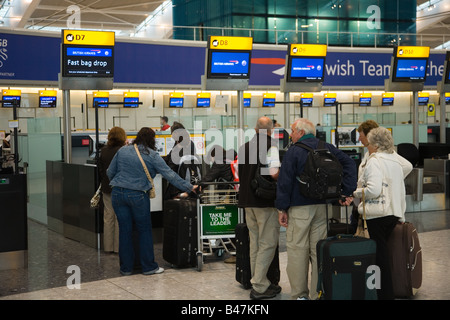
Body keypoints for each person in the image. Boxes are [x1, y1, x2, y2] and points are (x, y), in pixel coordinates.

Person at [276, 118, 357, 300]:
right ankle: (317, 293)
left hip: (299, 209)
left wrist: (282, 208)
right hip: (322, 208)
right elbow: (350, 164)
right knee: (317, 250)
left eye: (293, 130)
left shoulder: (294, 151)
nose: (291, 134)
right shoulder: (327, 147)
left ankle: (299, 295)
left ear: (301, 133)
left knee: (297, 251)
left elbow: (285, 181)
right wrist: (345, 190)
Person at [107, 127, 198, 276]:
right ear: (152, 140)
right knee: (144, 230)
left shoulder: (123, 150)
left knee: (125, 230)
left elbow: (110, 172)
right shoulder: (152, 154)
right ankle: (149, 267)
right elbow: (170, 175)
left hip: (117, 193)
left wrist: (121, 183)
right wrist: (189, 187)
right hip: (137, 195)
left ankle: (126, 268)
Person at [352, 127, 412, 300]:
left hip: (376, 215)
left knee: (378, 259)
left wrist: (356, 193)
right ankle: (384, 293)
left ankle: (381, 294)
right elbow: (399, 190)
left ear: (376, 145)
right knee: (384, 256)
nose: (368, 147)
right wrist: (401, 215)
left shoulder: (374, 160)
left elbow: (373, 189)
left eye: (369, 144)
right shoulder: (395, 162)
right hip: (392, 214)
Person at [238, 116, 281, 300]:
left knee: (254, 242)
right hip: (264, 202)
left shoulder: (244, 147)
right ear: (270, 130)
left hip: (247, 202)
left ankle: (257, 280)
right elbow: (274, 173)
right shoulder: (271, 146)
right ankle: (260, 284)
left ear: (256, 129)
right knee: (268, 242)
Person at [98, 127, 126, 253]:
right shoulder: (123, 151)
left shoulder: (103, 150)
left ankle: (108, 247)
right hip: (120, 188)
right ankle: (118, 248)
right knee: (119, 217)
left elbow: (100, 170)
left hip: (107, 187)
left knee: (108, 217)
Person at [163, 121, 200, 199]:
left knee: (168, 199)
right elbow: (170, 156)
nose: (171, 135)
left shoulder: (180, 145)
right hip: (188, 178)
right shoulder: (187, 143)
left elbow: (173, 163)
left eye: (172, 133)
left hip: (180, 179)